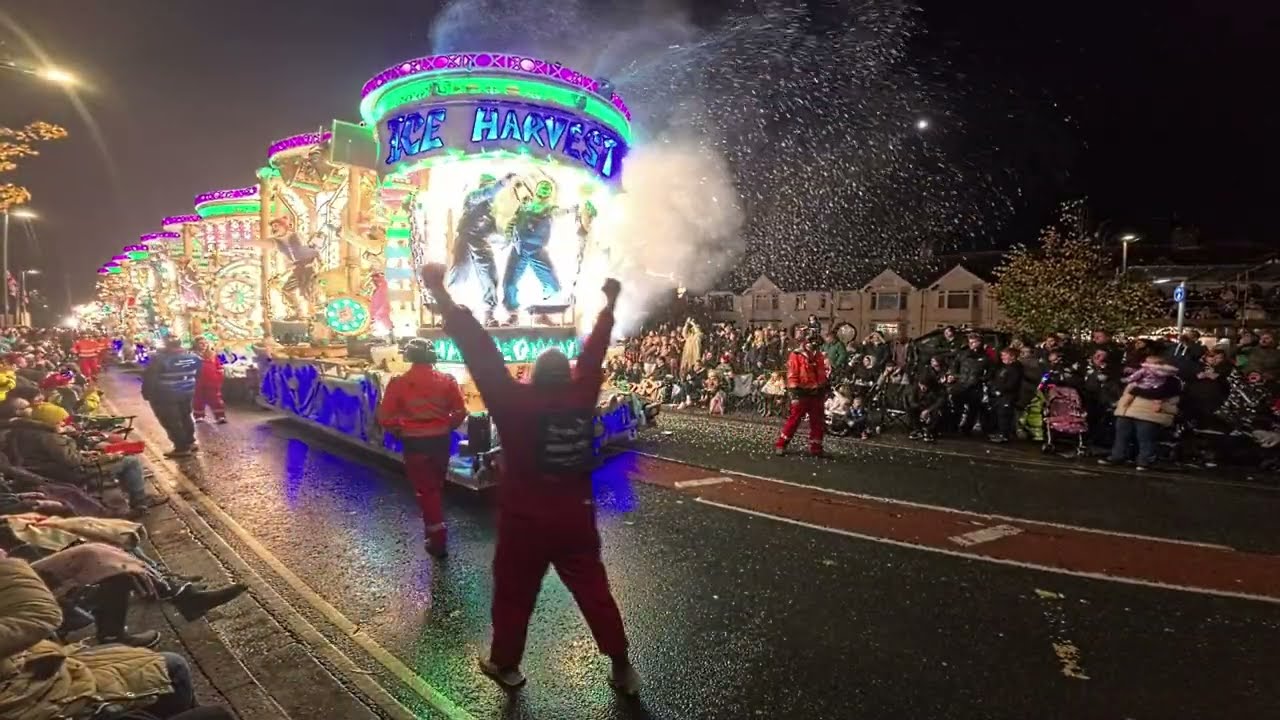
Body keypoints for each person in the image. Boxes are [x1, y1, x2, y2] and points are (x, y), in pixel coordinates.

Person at [419, 263, 639, 695]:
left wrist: (441, 293)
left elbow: (478, 350)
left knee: (514, 595)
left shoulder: (513, 403)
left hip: (524, 524)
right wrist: (609, 306)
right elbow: (594, 356)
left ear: (533, 376)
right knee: (595, 593)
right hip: (576, 519)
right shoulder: (582, 396)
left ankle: (506, 665)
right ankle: (621, 667)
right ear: (569, 376)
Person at [0, 554, 198, 718]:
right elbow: (42, 615)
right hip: (28, 695)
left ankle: (177, 594)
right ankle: (177, 597)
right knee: (174, 667)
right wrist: (7, 567)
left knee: (108, 555)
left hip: (33, 672)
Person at [376, 338, 467, 559]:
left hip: (415, 444)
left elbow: (384, 417)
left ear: (409, 357)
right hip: (441, 442)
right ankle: (433, 531)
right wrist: (446, 426)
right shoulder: (447, 381)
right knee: (435, 487)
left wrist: (400, 429)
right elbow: (460, 411)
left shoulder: (399, 383)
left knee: (426, 491)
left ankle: (438, 539)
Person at [447, 173, 515, 325]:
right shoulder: (472, 198)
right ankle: (450, 312)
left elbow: (494, 234)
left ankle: (488, 313)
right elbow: (488, 192)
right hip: (465, 239)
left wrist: (508, 236)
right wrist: (502, 183)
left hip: (481, 243)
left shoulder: (491, 212)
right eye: (487, 185)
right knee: (459, 274)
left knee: (489, 277)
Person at [1101, 355, 1182, 470]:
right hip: (1128, 410)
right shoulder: (1140, 374)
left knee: (1145, 437)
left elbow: (1158, 393)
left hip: (1149, 412)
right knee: (1121, 435)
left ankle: (1144, 460)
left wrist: (1137, 390)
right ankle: (1117, 456)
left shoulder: (1171, 380)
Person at [143, 337, 201, 458]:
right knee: (185, 416)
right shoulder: (193, 357)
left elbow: (150, 378)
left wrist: (147, 394)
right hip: (187, 392)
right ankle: (190, 442)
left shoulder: (160, 359)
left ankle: (181, 447)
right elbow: (199, 374)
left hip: (165, 395)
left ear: (166, 345)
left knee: (171, 421)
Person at [774, 333, 830, 457]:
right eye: (811, 342)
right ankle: (781, 444)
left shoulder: (819, 356)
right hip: (801, 392)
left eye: (816, 343)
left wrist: (825, 387)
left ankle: (816, 448)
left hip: (817, 393)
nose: (813, 345)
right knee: (794, 420)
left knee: (817, 422)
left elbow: (822, 374)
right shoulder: (796, 355)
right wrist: (794, 395)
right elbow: (793, 375)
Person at [987, 347, 1023, 443]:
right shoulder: (1002, 367)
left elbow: (1012, 383)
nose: (1002, 357)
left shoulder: (1016, 368)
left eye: (1004, 355)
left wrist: (1001, 390)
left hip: (1008, 396)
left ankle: (1004, 434)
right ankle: (999, 432)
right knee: (998, 414)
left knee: (1005, 415)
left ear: (1012, 356)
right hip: (999, 395)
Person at [191, 338, 226, 424]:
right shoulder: (192, 355)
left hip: (212, 381)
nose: (204, 345)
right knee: (198, 399)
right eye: (201, 343)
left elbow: (219, 367)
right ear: (196, 344)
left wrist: (219, 378)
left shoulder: (213, 355)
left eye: (205, 343)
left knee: (216, 399)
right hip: (198, 382)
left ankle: (220, 416)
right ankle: (199, 416)